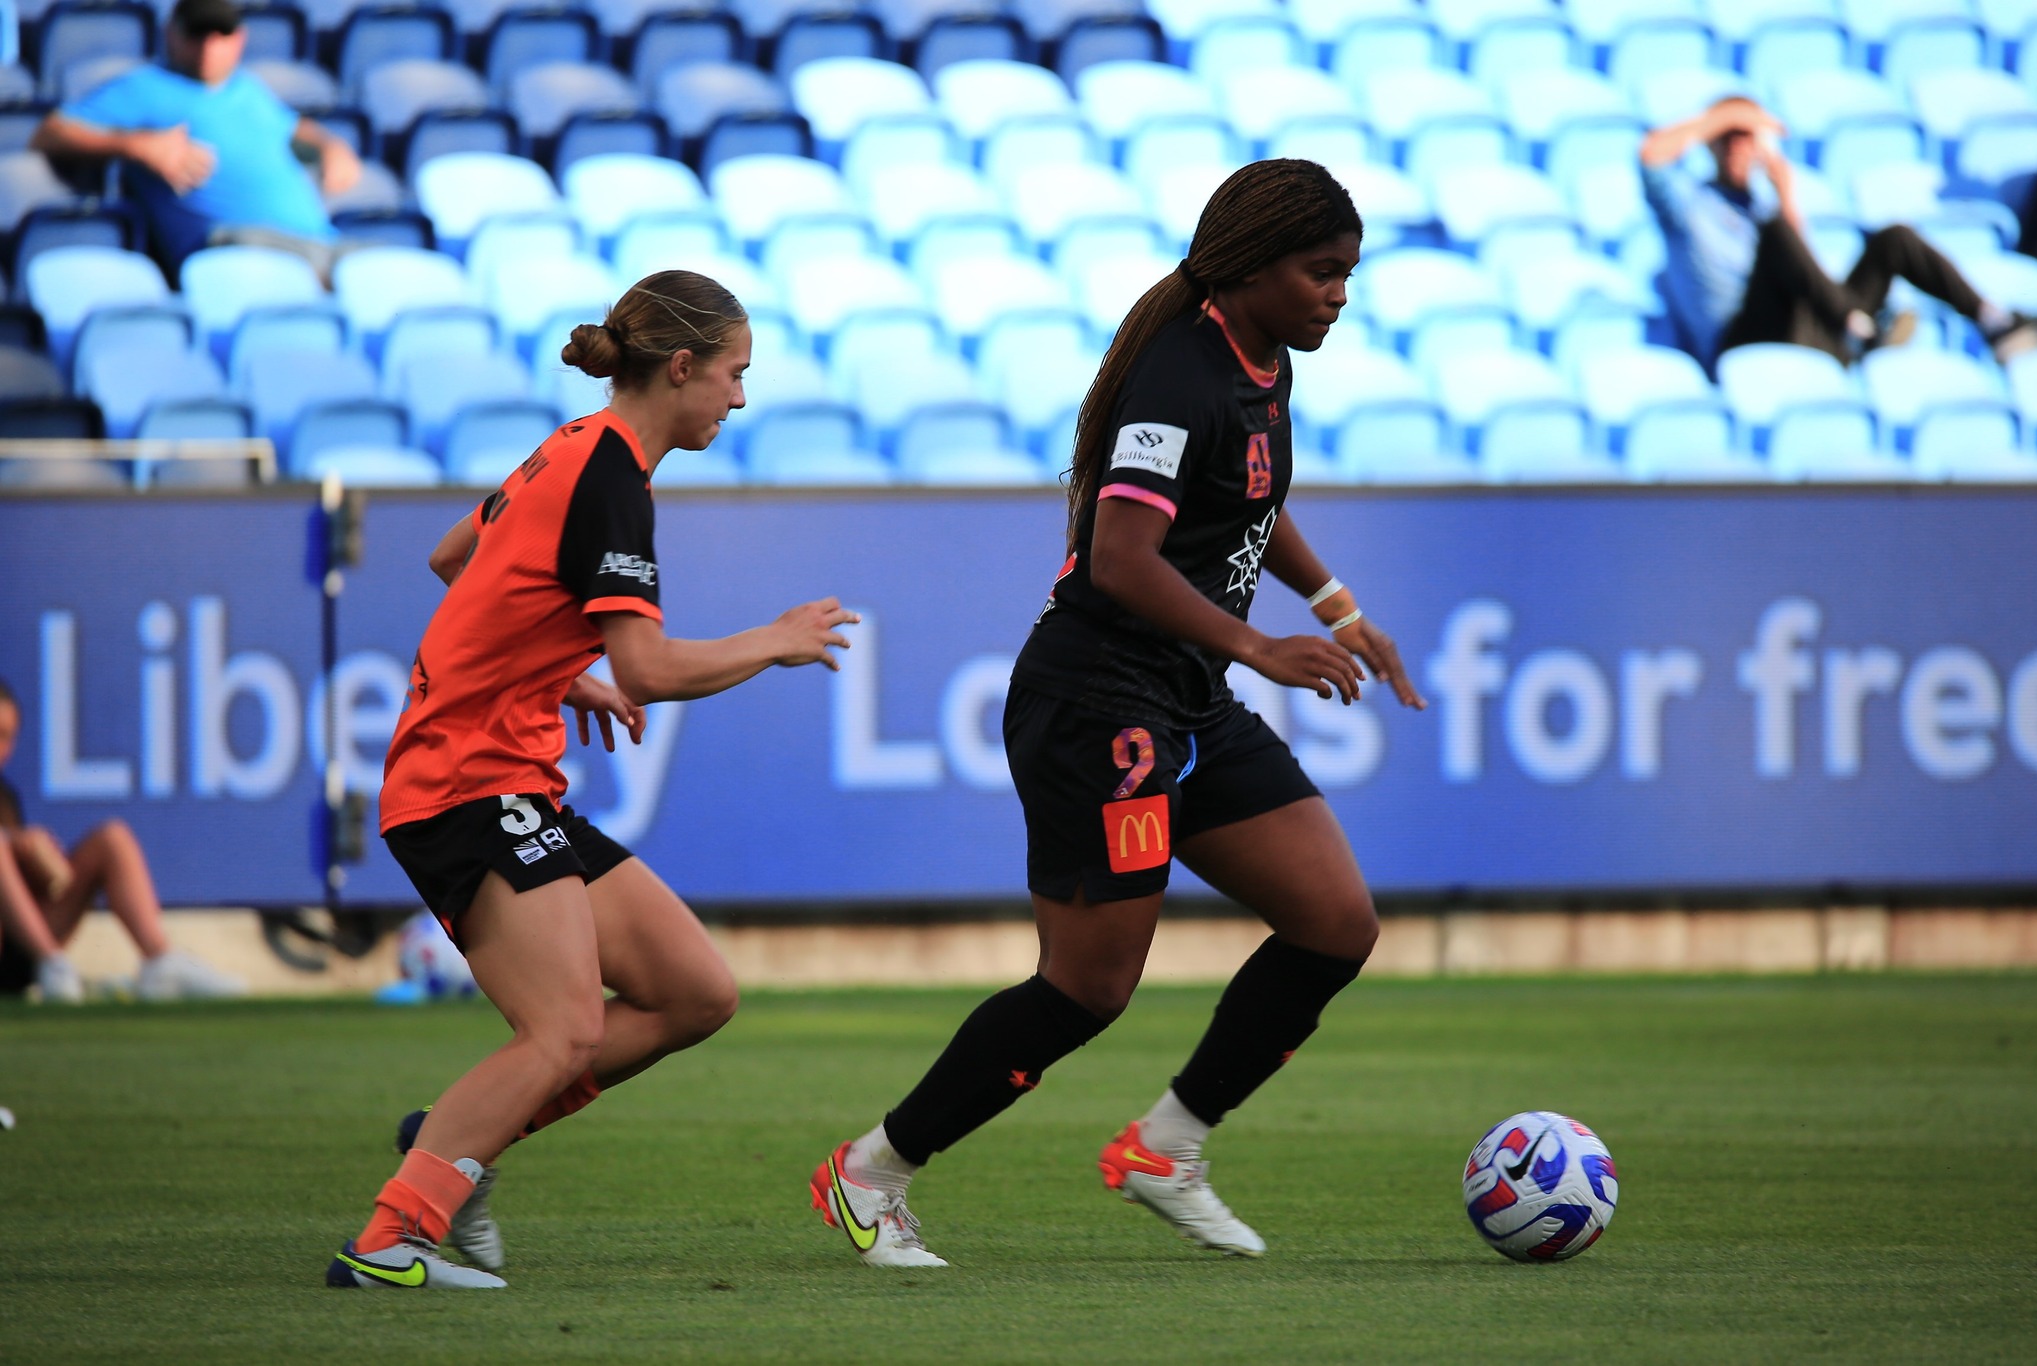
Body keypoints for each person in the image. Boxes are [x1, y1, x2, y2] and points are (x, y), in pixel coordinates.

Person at [811, 159, 1426, 1269]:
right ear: (1250, 266)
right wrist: (1255, 644)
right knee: (1088, 988)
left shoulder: (1265, 359)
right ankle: (868, 1172)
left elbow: (1248, 499)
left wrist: (1336, 607)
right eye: (1320, 272)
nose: (1338, 293)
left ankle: (1166, 1147)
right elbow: (1118, 554)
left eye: (1347, 275)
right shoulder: (1176, 373)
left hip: (1185, 696)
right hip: (1100, 707)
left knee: (1335, 920)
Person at [327, 270, 860, 1291]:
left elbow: (455, 559)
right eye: (734, 375)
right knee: (564, 1027)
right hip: (466, 782)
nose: (739, 400)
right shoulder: (609, 476)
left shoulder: (568, 446)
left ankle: (454, 1136)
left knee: (694, 993)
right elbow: (650, 671)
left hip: (509, 776)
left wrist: (556, 672)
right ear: (681, 366)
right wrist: (775, 640)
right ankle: (392, 1240)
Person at [1641, 95, 2037, 369]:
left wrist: (1786, 193)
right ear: (1710, 142)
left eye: (1745, 138)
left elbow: (1802, 270)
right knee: (1778, 233)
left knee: (1895, 240)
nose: (1737, 147)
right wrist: (1728, 117)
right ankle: (1858, 327)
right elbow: (1650, 156)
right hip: (1740, 338)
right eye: (1726, 137)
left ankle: (1994, 320)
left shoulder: (1766, 209)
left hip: (1808, 327)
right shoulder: (1688, 204)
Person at [31, 0, 361, 275]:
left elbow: (293, 128)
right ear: (171, 34)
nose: (208, 47)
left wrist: (332, 147)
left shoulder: (248, 89)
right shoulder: (144, 87)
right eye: (196, 34)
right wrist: (135, 145)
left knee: (398, 268)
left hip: (321, 244)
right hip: (231, 248)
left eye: (221, 35)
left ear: (239, 39)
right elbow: (51, 133)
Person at [0, 679, 246, 1003]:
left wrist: (41, 864)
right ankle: (53, 962)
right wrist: (13, 843)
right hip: (33, 954)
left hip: (17, 952)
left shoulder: (6, 797)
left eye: (6, 736)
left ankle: (160, 961)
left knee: (112, 839)